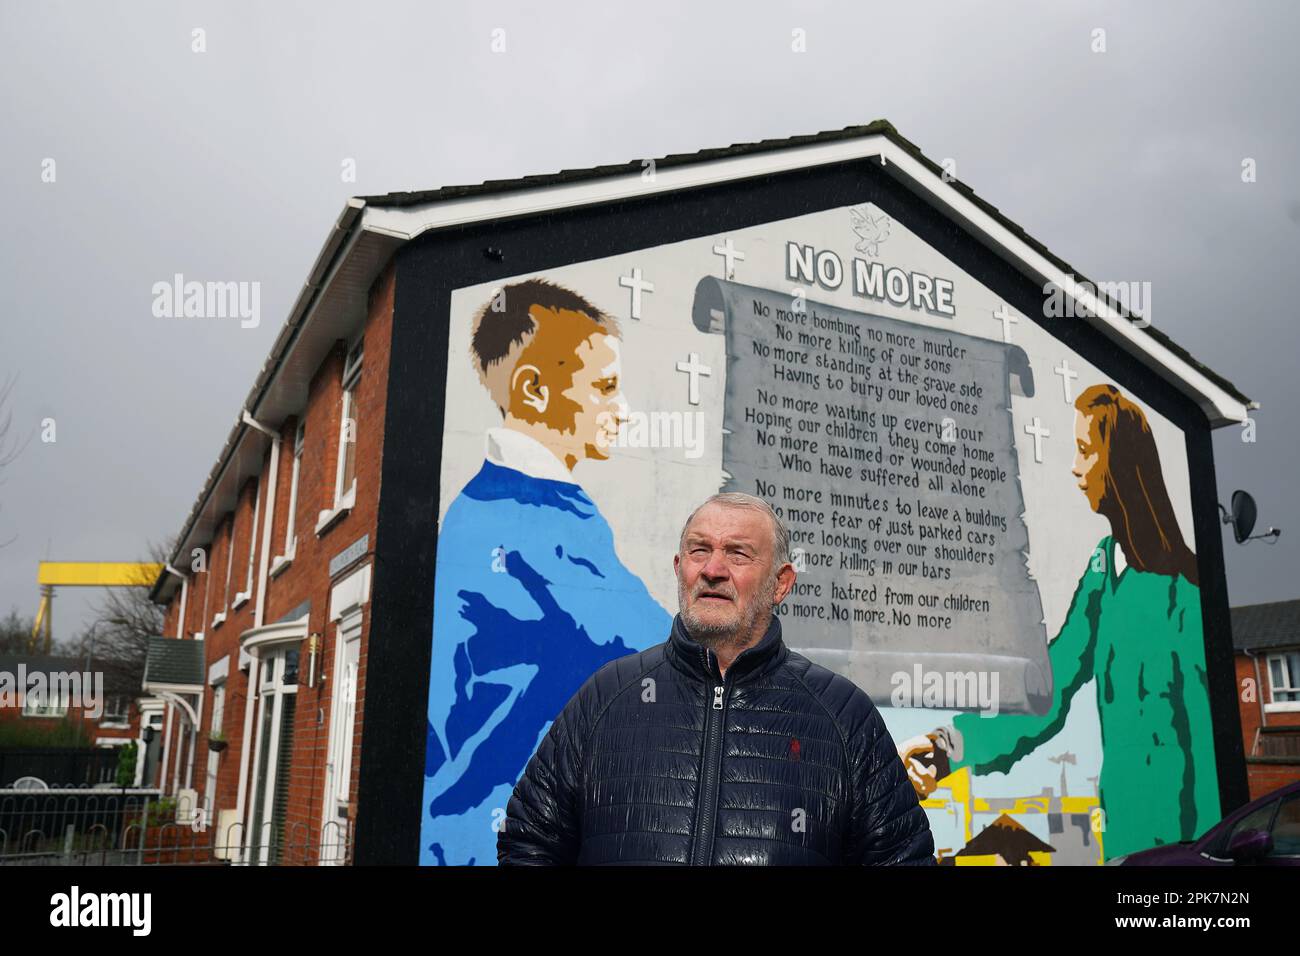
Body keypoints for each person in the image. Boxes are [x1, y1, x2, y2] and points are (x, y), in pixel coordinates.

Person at [498, 492, 936, 865]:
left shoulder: (843, 715)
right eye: (699, 550)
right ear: (679, 568)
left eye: (738, 553)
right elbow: (529, 841)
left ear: (781, 584)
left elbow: (901, 857)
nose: (713, 569)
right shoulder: (607, 696)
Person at [899, 383, 1218, 861]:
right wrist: (947, 748)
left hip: (1183, 853)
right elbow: (1050, 690)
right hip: (1124, 846)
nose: (1075, 467)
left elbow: (1207, 750)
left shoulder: (1186, 592)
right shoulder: (1102, 571)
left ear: (1121, 464)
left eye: (1086, 452)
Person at [421, 278, 670, 866]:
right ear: (533, 391)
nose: (622, 412)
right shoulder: (536, 525)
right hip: (499, 846)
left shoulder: (489, 508)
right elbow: (668, 649)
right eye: (606, 388)